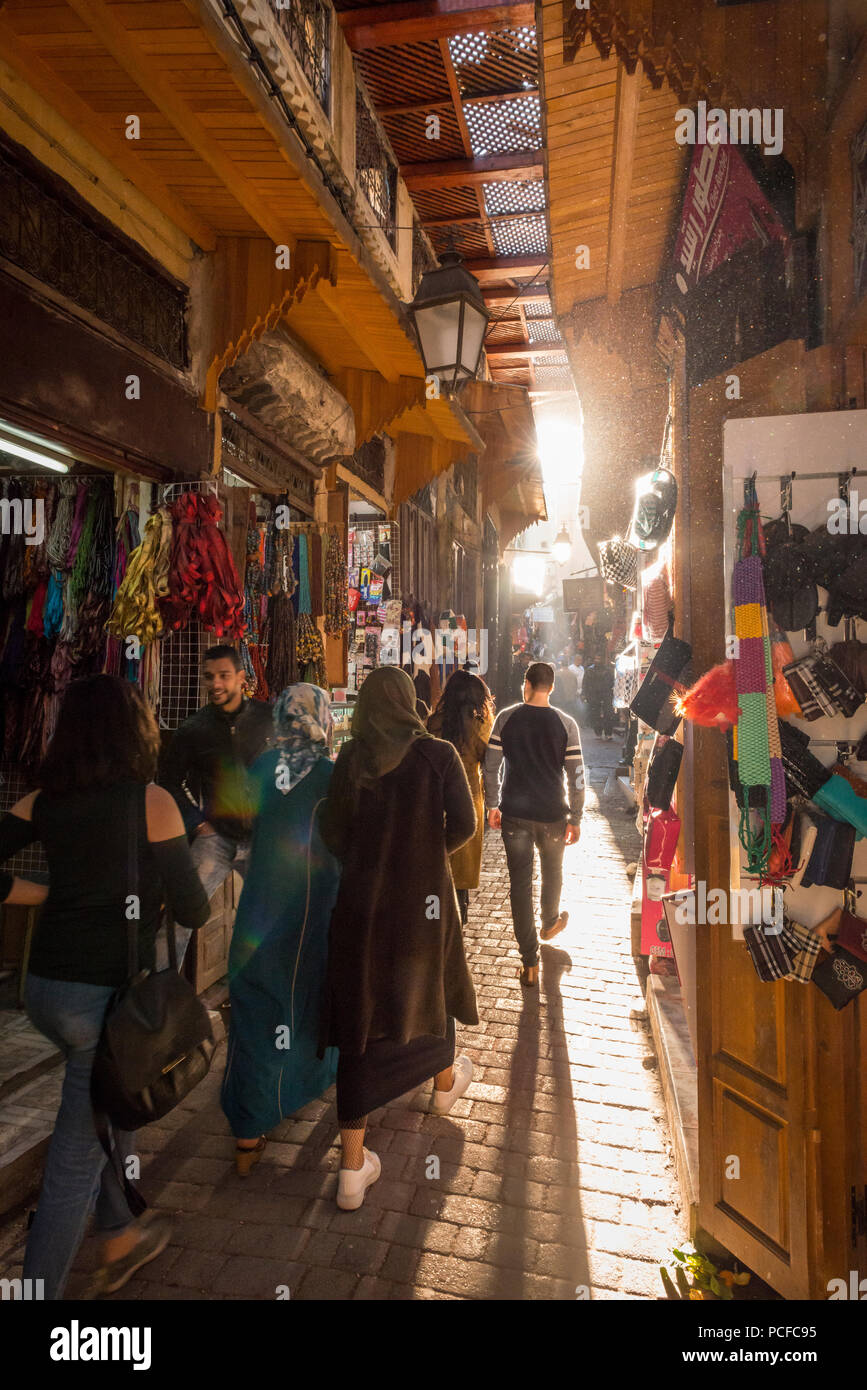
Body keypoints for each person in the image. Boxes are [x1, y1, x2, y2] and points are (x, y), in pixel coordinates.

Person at [0, 675, 210, 1299]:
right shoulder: (153, 801)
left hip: (42, 992)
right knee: (71, 1164)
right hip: (103, 1002)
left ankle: (118, 1234)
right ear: (136, 728)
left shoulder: (43, 800)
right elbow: (196, 910)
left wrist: (45, 892)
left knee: (110, 1101)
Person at [319, 666, 478, 1211]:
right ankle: (442, 1087)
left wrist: (370, 859)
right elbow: (465, 824)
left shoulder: (351, 760)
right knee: (430, 990)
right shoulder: (438, 757)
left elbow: (334, 831)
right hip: (423, 907)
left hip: (362, 910)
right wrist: (425, 855)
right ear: (410, 702)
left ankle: (351, 1168)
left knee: (362, 1023)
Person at [221, 685, 341, 1177]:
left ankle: (247, 1137)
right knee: (307, 1001)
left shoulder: (259, 769)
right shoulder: (334, 777)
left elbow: (233, 825)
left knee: (255, 1009)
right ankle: (299, 1089)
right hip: (314, 909)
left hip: (259, 909)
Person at [158, 644, 273, 959]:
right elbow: (168, 780)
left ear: (240, 677)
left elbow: (288, 769)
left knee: (271, 921)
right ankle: (162, 1001)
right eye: (209, 677)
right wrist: (196, 823)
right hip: (217, 839)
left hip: (263, 840)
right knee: (181, 917)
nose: (216, 684)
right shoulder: (193, 729)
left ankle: (262, 998)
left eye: (223, 675)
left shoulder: (269, 718)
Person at [484, 661, 584, 986]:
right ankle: (549, 922)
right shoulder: (566, 724)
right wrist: (577, 816)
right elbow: (577, 775)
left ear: (526, 684)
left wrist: (492, 805)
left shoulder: (505, 718)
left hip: (515, 813)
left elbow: (490, 766)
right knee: (553, 871)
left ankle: (529, 961)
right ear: (551, 687)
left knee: (519, 885)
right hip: (554, 815)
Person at [427, 669, 495, 926]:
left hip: (436, 798)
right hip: (468, 797)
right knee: (461, 869)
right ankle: (458, 921)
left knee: (438, 860)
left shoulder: (434, 722)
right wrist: (493, 804)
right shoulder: (482, 724)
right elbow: (490, 765)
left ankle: (434, 917)